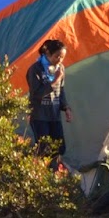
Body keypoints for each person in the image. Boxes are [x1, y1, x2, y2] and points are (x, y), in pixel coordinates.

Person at [26, 38, 72, 170]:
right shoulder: (35, 69)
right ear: (48, 54)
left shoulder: (60, 68)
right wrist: (55, 80)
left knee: (59, 147)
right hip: (39, 115)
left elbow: (61, 90)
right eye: (57, 56)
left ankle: (55, 171)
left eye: (62, 57)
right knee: (44, 148)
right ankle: (38, 172)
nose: (60, 60)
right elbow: (37, 94)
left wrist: (66, 107)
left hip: (54, 114)